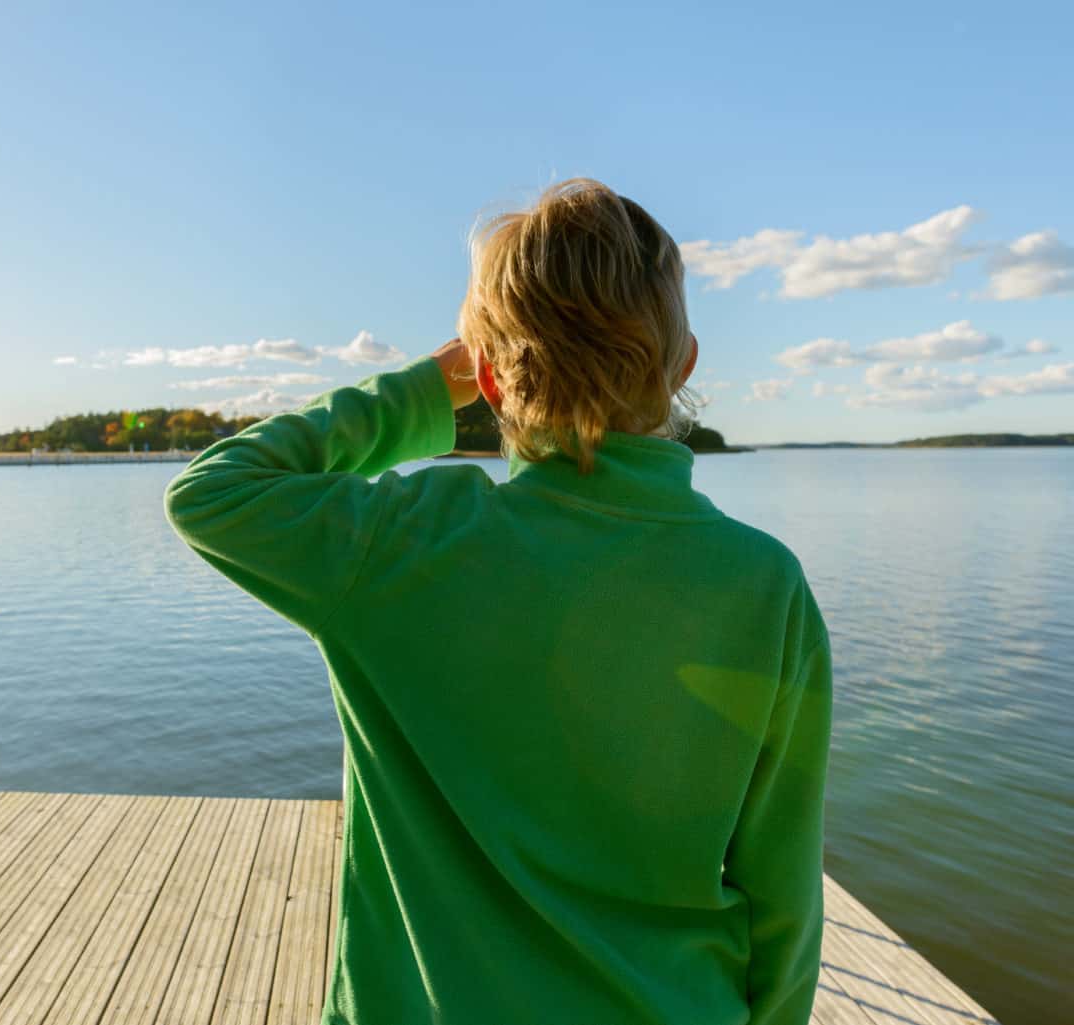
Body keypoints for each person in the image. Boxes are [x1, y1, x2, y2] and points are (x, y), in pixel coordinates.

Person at [164, 178, 831, 1025]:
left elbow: (212, 494)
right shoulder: (765, 585)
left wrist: (423, 388)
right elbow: (783, 897)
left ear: (486, 376)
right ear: (683, 367)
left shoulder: (403, 544)